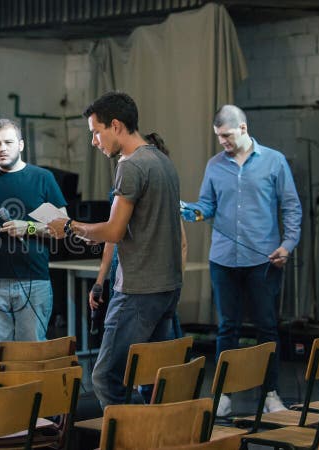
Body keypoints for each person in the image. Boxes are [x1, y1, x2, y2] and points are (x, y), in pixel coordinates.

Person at [47, 92, 182, 408]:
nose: (94, 141)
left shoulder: (131, 165)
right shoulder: (162, 161)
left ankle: (128, 439)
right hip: (167, 287)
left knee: (106, 377)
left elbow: (114, 230)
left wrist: (69, 227)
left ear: (117, 125)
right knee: (153, 378)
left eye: (96, 131)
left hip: (137, 290)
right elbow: (129, 230)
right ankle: (154, 437)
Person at [180, 104, 302, 415]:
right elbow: (206, 206)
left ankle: (271, 393)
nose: (223, 142)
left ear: (244, 129)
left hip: (264, 260)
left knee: (266, 328)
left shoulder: (274, 162)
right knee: (227, 329)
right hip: (223, 260)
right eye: (219, 137)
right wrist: (190, 210)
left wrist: (288, 244)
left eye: (227, 135)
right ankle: (223, 393)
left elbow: (291, 208)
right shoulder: (214, 165)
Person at [0, 118, 67, 388]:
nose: (2, 148)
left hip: (34, 281)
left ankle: (33, 419)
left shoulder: (42, 179)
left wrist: (28, 227)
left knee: (32, 353)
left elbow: (62, 227)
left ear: (20, 144)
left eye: (8, 142)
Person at [91, 133, 188, 340]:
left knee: (154, 349)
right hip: (125, 272)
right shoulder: (125, 181)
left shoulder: (158, 186)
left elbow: (182, 243)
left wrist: (175, 284)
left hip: (151, 277)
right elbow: (112, 235)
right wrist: (100, 281)